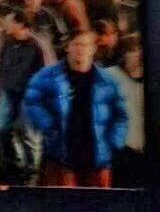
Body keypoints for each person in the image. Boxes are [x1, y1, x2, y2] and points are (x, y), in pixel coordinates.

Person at [23, 29, 128, 187]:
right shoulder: (48, 76)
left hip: (97, 159)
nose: (81, 49)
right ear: (68, 47)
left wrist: (114, 142)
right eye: (76, 44)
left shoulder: (107, 81)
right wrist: (49, 126)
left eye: (85, 45)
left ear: (93, 48)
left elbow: (120, 115)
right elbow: (32, 101)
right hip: (62, 157)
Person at [0, 11, 48, 183]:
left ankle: (32, 169)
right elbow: (1, 61)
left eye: (9, 22)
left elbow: (44, 72)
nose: (5, 25)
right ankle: (13, 162)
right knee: (2, 128)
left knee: (29, 133)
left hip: (28, 94)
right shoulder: (8, 41)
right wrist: (4, 80)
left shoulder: (36, 46)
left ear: (20, 25)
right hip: (8, 91)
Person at [106, 35, 146, 188]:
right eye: (131, 51)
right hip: (120, 151)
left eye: (138, 50)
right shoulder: (109, 76)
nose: (136, 54)